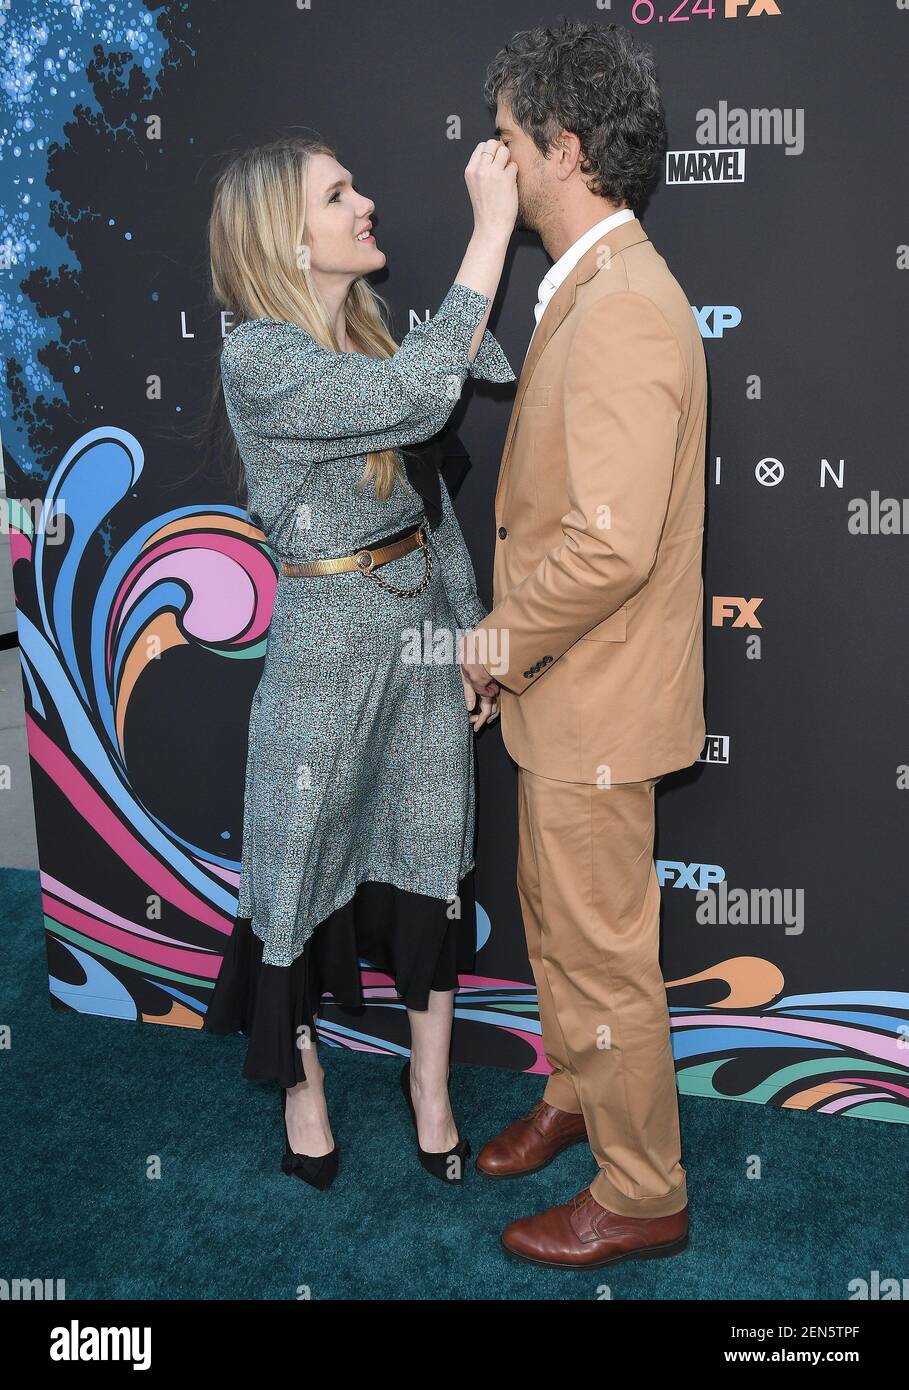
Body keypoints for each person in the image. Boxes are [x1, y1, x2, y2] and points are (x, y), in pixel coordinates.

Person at [202, 133, 517, 1189]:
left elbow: (431, 512)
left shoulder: (375, 334)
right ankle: (305, 1088)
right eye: (338, 195)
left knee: (433, 855)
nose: (366, 203)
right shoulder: (260, 358)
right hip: (326, 649)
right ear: (285, 238)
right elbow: (429, 395)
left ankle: (429, 1086)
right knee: (296, 873)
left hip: (419, 630)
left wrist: (471, 633)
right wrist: (492, 230)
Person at [460, 19, 707, 1267]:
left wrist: (494, 644)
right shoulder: (598, 287)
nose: (490, 157)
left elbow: (608, 548)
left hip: (592, 698)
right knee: (556, 922)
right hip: (569, 695)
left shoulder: (624, 308)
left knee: (603, 953)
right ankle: (576, 1092)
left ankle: (644, 1186)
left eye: (504, 138)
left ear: (562, 149)